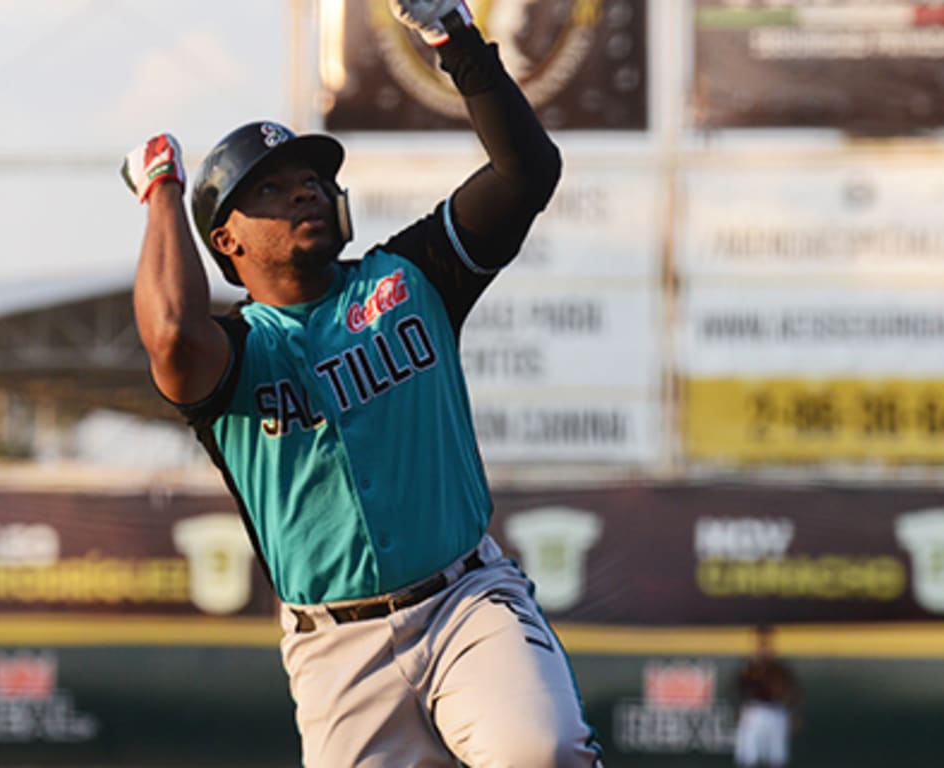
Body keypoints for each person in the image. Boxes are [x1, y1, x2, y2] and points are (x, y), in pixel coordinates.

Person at [119, 2, 602, 766]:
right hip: (337, 653)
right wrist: (162, 189)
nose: (306, 190)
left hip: (464, 603)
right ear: (227, 240)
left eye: (311, 177)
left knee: (538, 752)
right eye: (272, 189)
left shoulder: (413, 276)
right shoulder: (236, 356)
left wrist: (455, 37)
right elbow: (173, 331)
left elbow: (528, 170)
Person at [734, 625, 799, 768]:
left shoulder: (781, 668)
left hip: (777, 712)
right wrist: (740, 709)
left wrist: (791, 714)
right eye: (761, 643)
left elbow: (792, 692)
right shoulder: (749, 667)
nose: (764, 647)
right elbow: (738, 690)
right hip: (754, 712)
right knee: (749, 757)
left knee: (777, 758)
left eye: (767, 643)